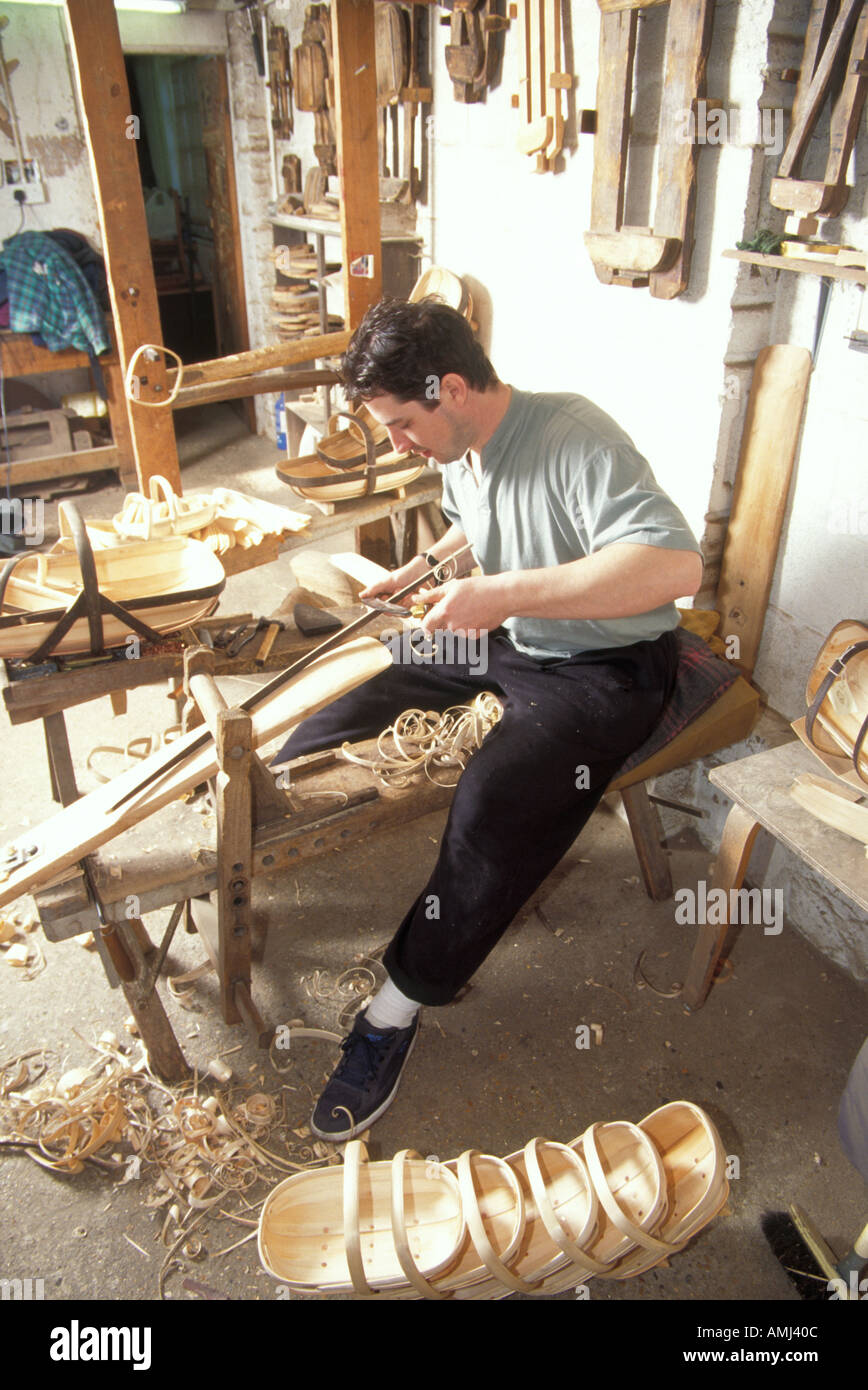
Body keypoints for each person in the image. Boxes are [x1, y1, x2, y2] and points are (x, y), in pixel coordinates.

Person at [274, 297, 703, 1142]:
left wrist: (499, 595)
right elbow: (477, 525)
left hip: (605, 667)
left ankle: (390, 1019)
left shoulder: (577, 435)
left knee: (492, 804)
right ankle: (277, 807)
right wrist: (418, 570)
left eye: (402, 424)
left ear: (455, 388)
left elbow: (672, 563)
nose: (398, 444)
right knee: (361, 687)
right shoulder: (459, 443)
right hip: (514, 639)